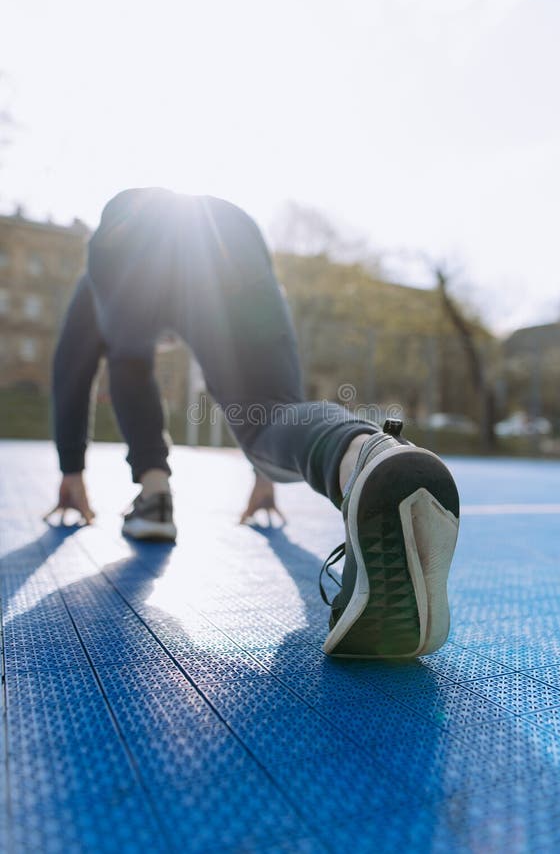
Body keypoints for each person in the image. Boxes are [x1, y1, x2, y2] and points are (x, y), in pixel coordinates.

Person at [47, 188, 460, 658]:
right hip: (233, 233)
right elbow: (281, 392)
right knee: (273, 413)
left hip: (135, 233)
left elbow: (70, 370)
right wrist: (269, 467)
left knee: (128, 357)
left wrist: (71, 472)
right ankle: (364, 454)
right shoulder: (205, 239)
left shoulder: (97, 282)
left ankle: (155, 496)